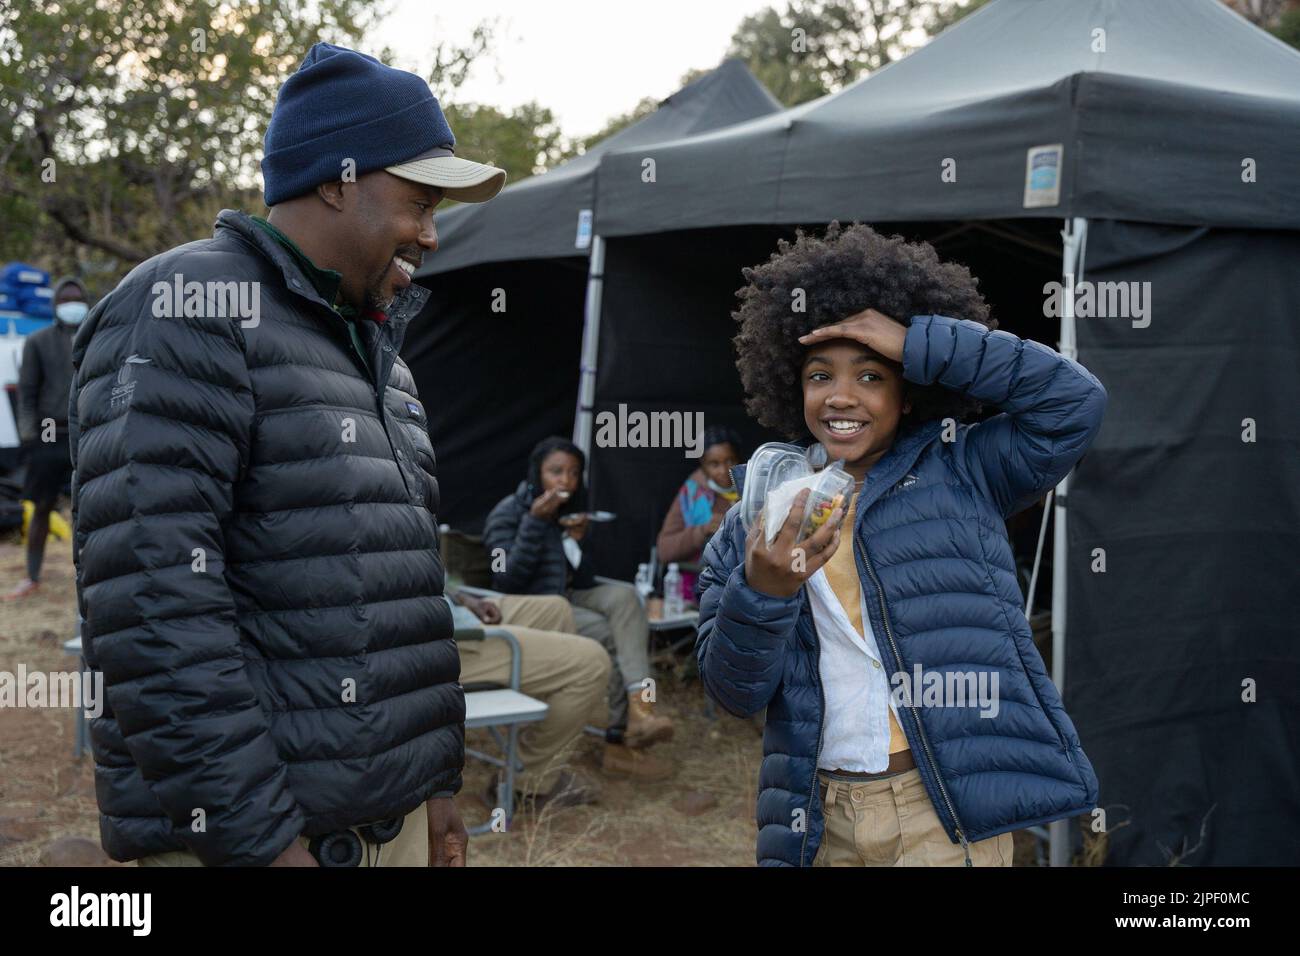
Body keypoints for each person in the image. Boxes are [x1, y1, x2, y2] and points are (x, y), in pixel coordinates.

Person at [69, 42, 506, 867]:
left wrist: (433, 787)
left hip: (388, 820)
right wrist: (260, 843)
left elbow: (402, 599)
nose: (432, 235)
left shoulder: (381, 353)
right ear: (337, 180)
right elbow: (156, 617)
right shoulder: (184, 312)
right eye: (418, 202)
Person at [696, 222, 1105, 867]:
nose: (841, 396)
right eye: (819, 374)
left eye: (872, 375)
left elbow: (1072, 403)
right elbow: (734, 695)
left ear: (908, 391)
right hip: (818, 816)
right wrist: (763, 593)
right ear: (791, 386)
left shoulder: (963, 470)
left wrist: (919, 340)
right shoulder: (758, 515)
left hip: (941, 812)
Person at [483, 436, 674, 780]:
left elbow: (583, 580)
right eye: (556, 472)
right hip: (533, 607)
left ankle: (641, 708)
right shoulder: (507, 513)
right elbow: (505, 579)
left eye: (573, 473)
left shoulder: (571, 511)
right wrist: (534, 522)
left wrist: (578, 542)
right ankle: (619, 743)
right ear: (536, 473)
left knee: (627, 597)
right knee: (612, 641)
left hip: (569, 596)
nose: (566, 481)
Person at [449, 589, 611, 808]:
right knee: (594, 663)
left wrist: (463, 599)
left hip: (451, 612)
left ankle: (538, 754)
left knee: (556, 610)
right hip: (439, 642)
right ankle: (525, 783)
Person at [6, 278, 88, 601]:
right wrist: (29, 435)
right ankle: (32, 575)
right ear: (56, 305)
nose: (72, 304)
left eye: (77, 298)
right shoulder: (38, 341)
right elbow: (26, 393)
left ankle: (91, 572)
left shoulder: (95, 336)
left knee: (91, 507)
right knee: (41, 507)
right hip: (50, 431)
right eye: (66, 299)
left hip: (85, 431)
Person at [655, 424, 741, 604]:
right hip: (702, 583)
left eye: (730, 460)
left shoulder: (750, 488)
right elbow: (664, 550)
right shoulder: (691, 494)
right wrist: (702, 530)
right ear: (703, 465)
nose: (723, 470)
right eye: (714, 464)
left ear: (739, 460)